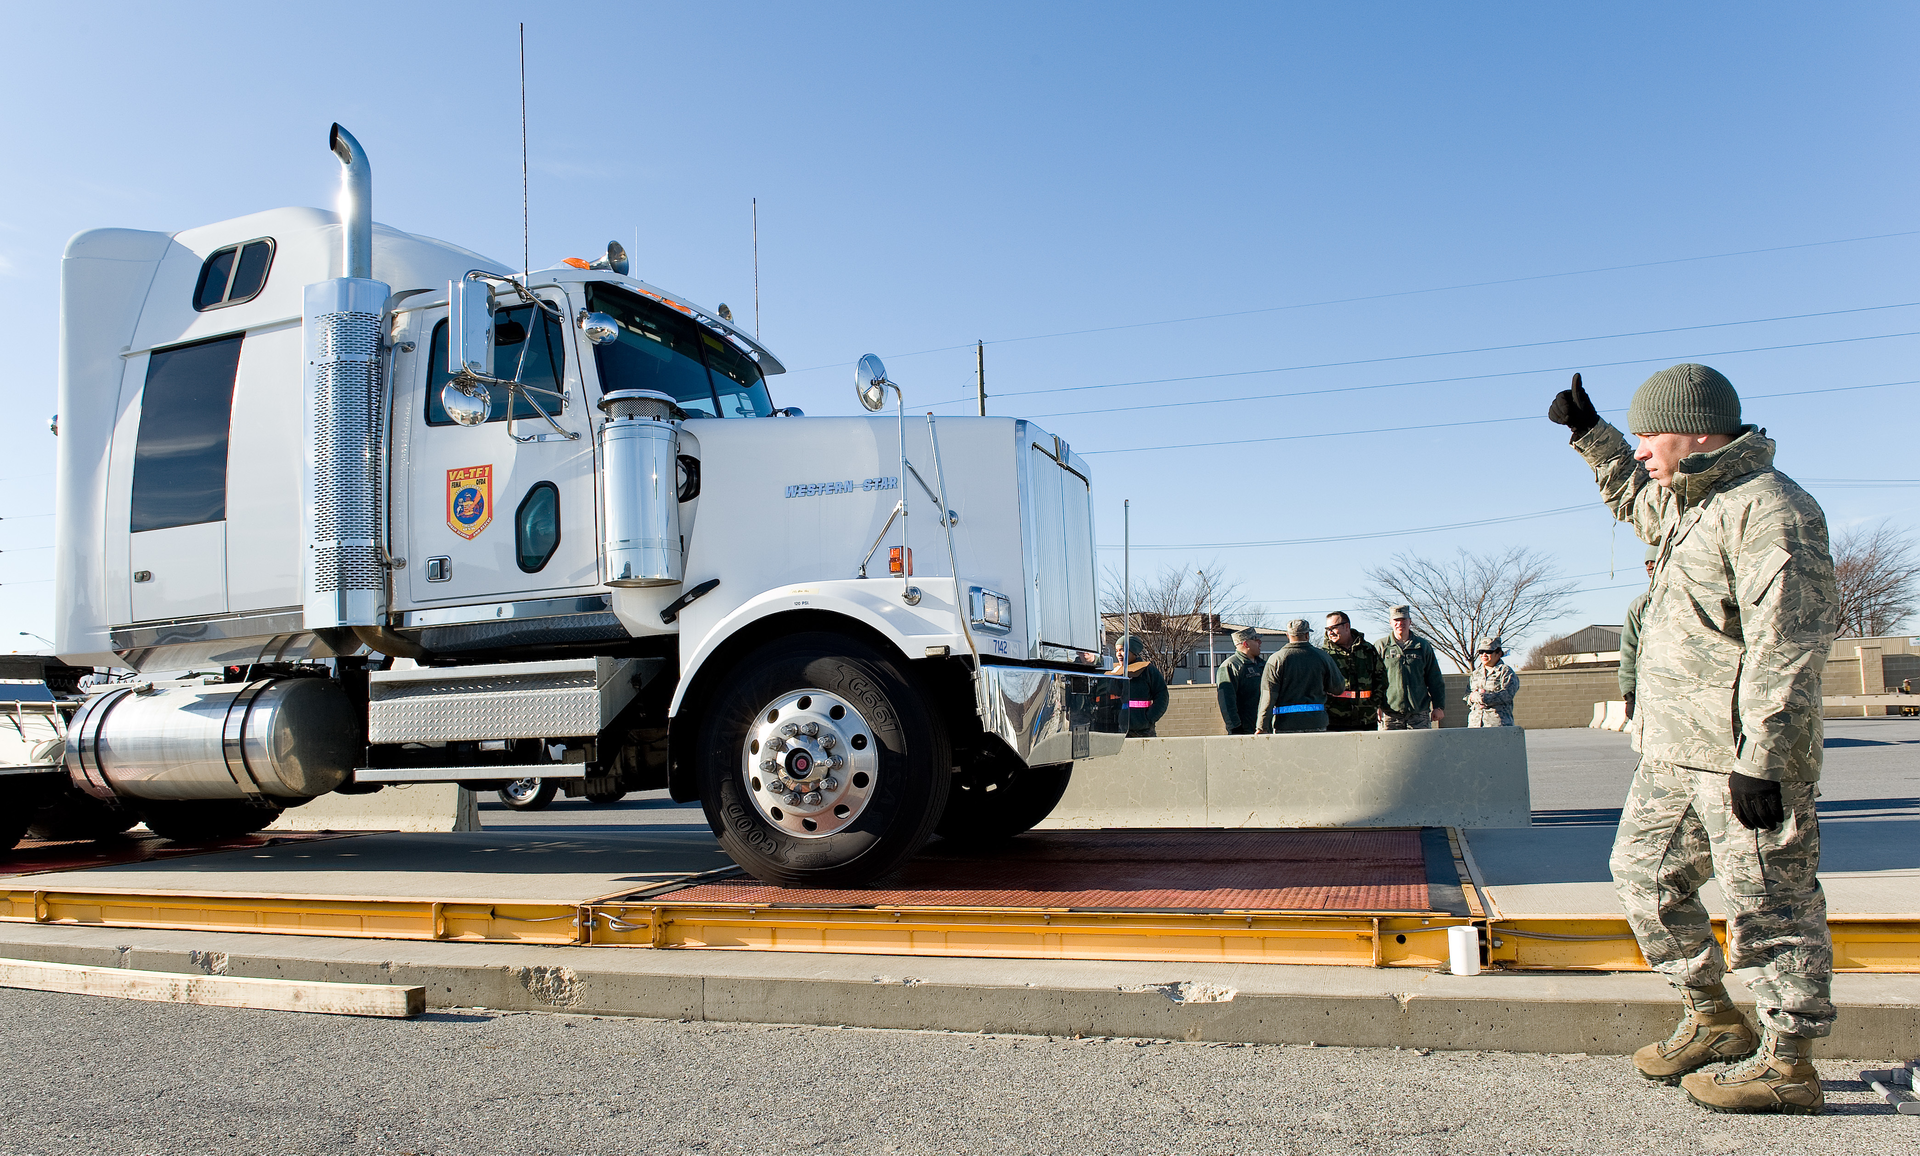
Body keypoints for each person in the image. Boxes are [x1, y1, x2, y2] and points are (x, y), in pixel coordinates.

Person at [1550, 363, 1839, 1115]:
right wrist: (1592, 436)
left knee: (1771, 904)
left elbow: (1790, 643)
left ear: (1701, 430)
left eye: (1650, 433)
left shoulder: (1770, 510)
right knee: (1644, 880)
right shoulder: (1690, 505)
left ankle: (1790, 1061)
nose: (1642, 448)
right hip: (1675, 749)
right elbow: (1633, 501)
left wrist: (1764, 759)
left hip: (1744, 759)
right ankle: (1714, 1019)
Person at [1256, 619, 1345, 733]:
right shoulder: (1323, 657)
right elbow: (1338, 688)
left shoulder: (1276, 659)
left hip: (1286, 724)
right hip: (1316, 722)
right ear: (1307, 635)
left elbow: (1268, 697)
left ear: (1288, 635)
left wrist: (1261, 727)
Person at [1377, 605, 1446, 729]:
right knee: (1391, 747)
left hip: (1419, 712)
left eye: (1404, 619)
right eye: (1396, 620)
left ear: (1410, 622)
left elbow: (1434, 678)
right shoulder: (1382, 646)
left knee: (1423, 746)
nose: (1400, 623)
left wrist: (1438, 706)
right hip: (1391, 712)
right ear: (1391, 623)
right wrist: (1375, 705)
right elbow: (1373, 679)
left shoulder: (1423, 646)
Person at [1321, 611, 1386, 732]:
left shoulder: (1368, 650)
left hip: (1366, 718)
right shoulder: (1324, 655)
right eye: (1327, 629)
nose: (1330, 632)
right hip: (1335, 720)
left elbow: (1381, 678)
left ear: (1346, 626)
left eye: (1333, 628)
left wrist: (1374, 703)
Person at [1618, 545, 1660, 721]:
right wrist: (1629, 694)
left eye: (1654, 561)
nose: (1649, 567)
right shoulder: (1640, 606)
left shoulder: (1691, 598)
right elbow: (1629, 651)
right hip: (1652, 692)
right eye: (1646, 563)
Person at [1114, 635, 1169, 738]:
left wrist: (1149, 718)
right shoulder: (1116, 672)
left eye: (1122, 650)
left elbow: (1162, 694)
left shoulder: (1147, 670)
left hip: (1143, 730)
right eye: (1117, 650)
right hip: (1120, 729)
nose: (1118, 654)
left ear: (1133, 651)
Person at [1215, 627, 1265, 735]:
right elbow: (1226, 701)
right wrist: (1235, 728)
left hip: (1264, 729)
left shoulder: (1263, 665)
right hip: (1245, 731)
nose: (1260, 642)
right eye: (1256, 640)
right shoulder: (1231, 666)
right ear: (1246, 644)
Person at [1465, 637, 1518, 727]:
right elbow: (1466, 696)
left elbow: (1507, 695)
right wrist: (1471, 697)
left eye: (1488, 652)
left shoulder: (1505, 672)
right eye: (1481, 652)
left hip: (1497, 724)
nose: (1484, 655)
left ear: (1499, 653)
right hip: (1475, 725)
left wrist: (1484, 698)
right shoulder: (1476, 673)